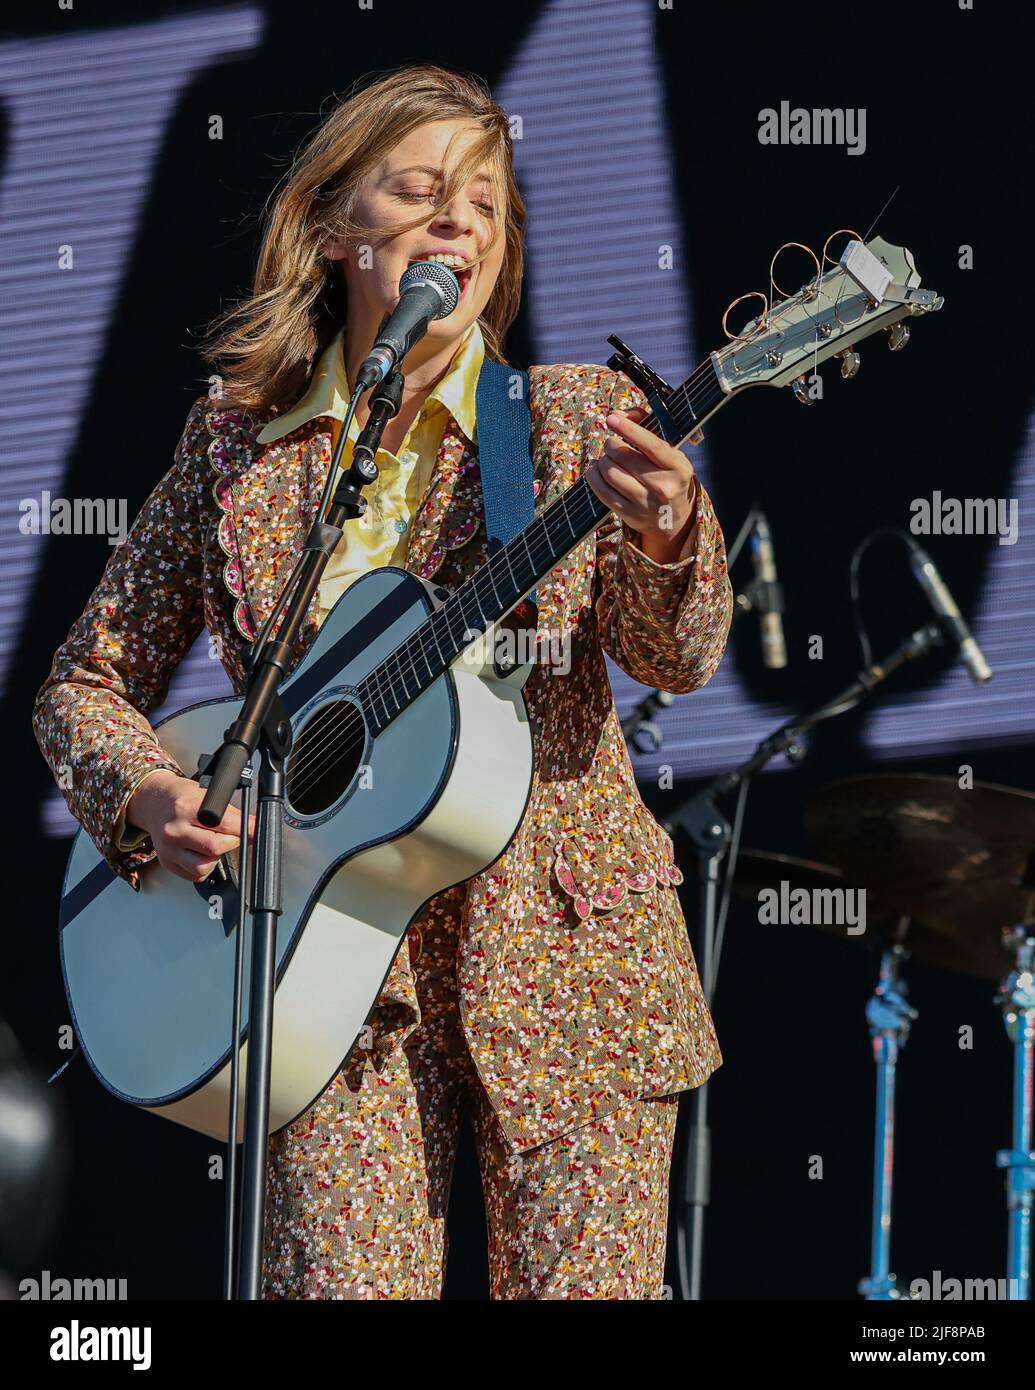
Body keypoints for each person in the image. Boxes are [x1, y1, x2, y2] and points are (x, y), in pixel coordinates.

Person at [33, 64, 733, 1300]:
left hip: (573, 968)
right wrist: (146, 794)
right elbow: (82, 680)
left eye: (488, 203)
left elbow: (673, 653)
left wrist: (673, 534)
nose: (461, 219)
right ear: (333, 226)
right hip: (330, 976)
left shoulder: (576, 422)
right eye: (420, 191)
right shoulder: (232, 445)